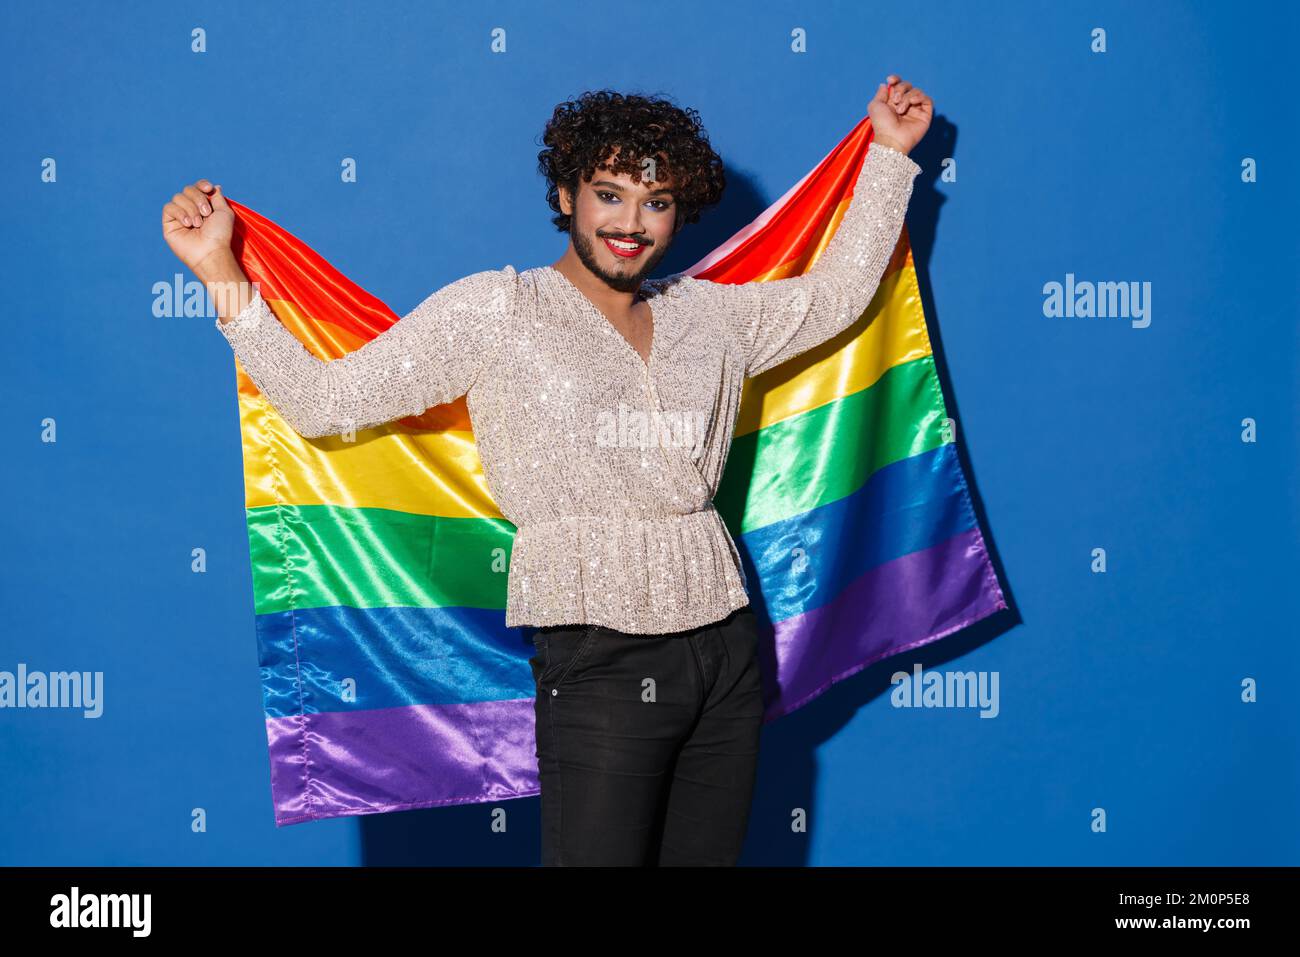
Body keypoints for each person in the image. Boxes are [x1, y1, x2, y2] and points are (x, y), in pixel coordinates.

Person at [162, 77, 932, 865]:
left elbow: (840, 295)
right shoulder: (498, 311)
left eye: (657, 201)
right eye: (609, 194)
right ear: (566, 196)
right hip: (597, 655)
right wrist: (219, 269)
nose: (632, 223)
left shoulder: (710, 315)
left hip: (728, 649)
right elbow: (326, 401)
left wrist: (889, 154)